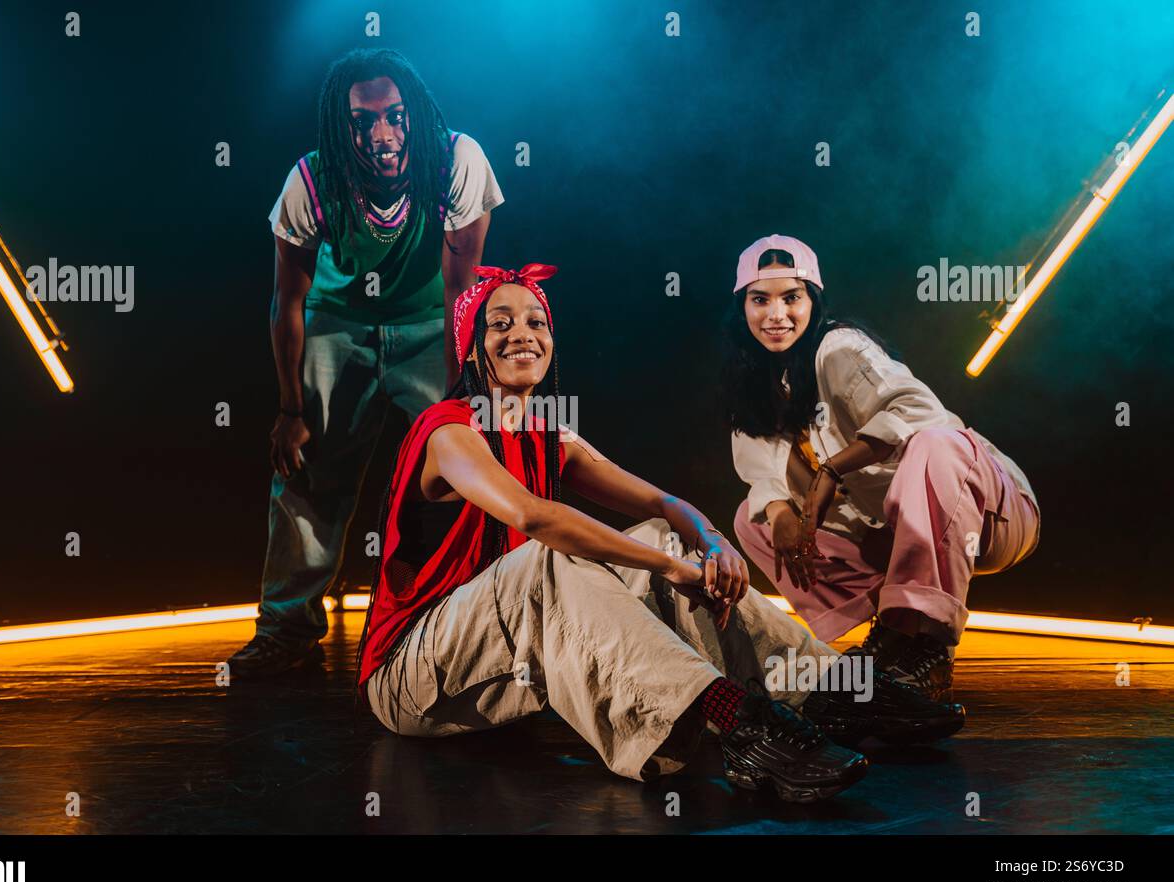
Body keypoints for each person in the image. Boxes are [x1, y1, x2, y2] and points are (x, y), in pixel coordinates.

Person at [357, 263, 963, 803]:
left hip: (501, 665)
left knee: (657, 537)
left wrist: (709, 542)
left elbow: (665, 503)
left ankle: (834, 689)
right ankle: (740, 724)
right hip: (415, 679)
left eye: (536, 322)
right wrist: (673, 571)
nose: (523, 334)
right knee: (555, 557)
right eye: (500, 323)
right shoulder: (449, 432)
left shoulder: (545, 431)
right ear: (471, 347)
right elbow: (535, 517)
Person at [229, 49, 503, 678]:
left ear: (416, 117)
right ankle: (286, 629)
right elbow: (287, 299)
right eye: (363, 122)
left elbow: (463, 289)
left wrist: (468, 392)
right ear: (339, 125)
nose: (382, 136)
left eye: (396, 117)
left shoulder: (457, 159)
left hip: (429, 322)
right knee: (306, 472)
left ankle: (475, 618)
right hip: (337, 325)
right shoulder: (310, 180)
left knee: (466, 464)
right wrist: (291, 409)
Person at [725, 235, 1041, 703]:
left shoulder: (839, 347)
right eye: (760, 300)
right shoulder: (758, 379)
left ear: (813, 299)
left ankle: (927, 642)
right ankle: (895, 634)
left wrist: (833, 469)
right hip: (897, 535)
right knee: (753, 521)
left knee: (935, 445)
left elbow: (917, 410)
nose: (776, 315)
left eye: (791, 297)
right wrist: (780, 513)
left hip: (991, 514)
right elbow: (758, 467)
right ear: (743, 307)